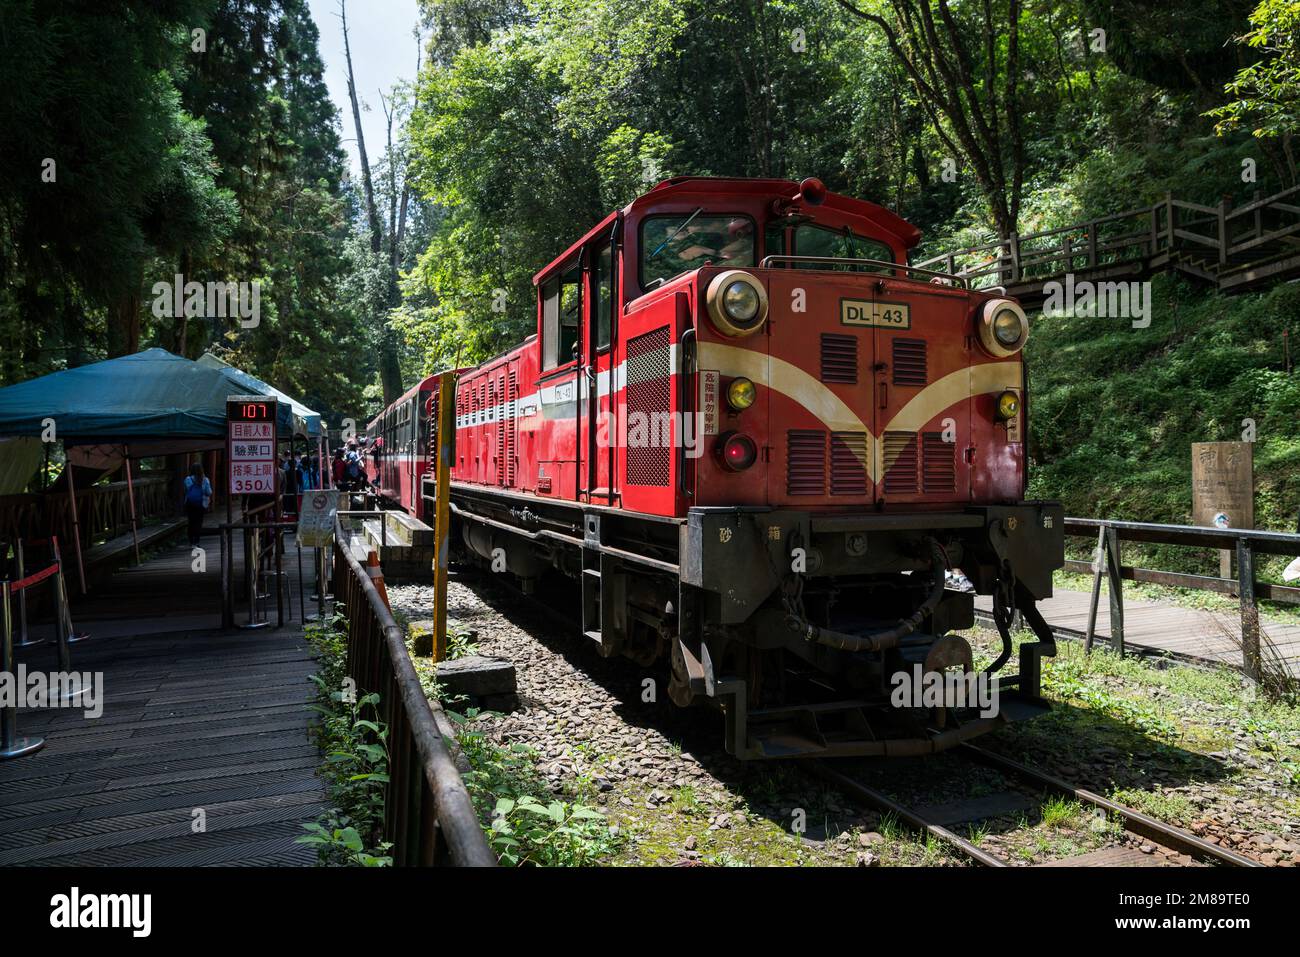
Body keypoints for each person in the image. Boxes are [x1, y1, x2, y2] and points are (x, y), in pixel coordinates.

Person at [182, 462, 212, 547]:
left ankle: (191, 542)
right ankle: (197, 542)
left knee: (191, 522)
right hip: (200, 504)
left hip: (190, 503)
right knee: (198, 522)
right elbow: (209, 492)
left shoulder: (188, 479)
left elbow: (185, 491)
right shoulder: (205, 479)